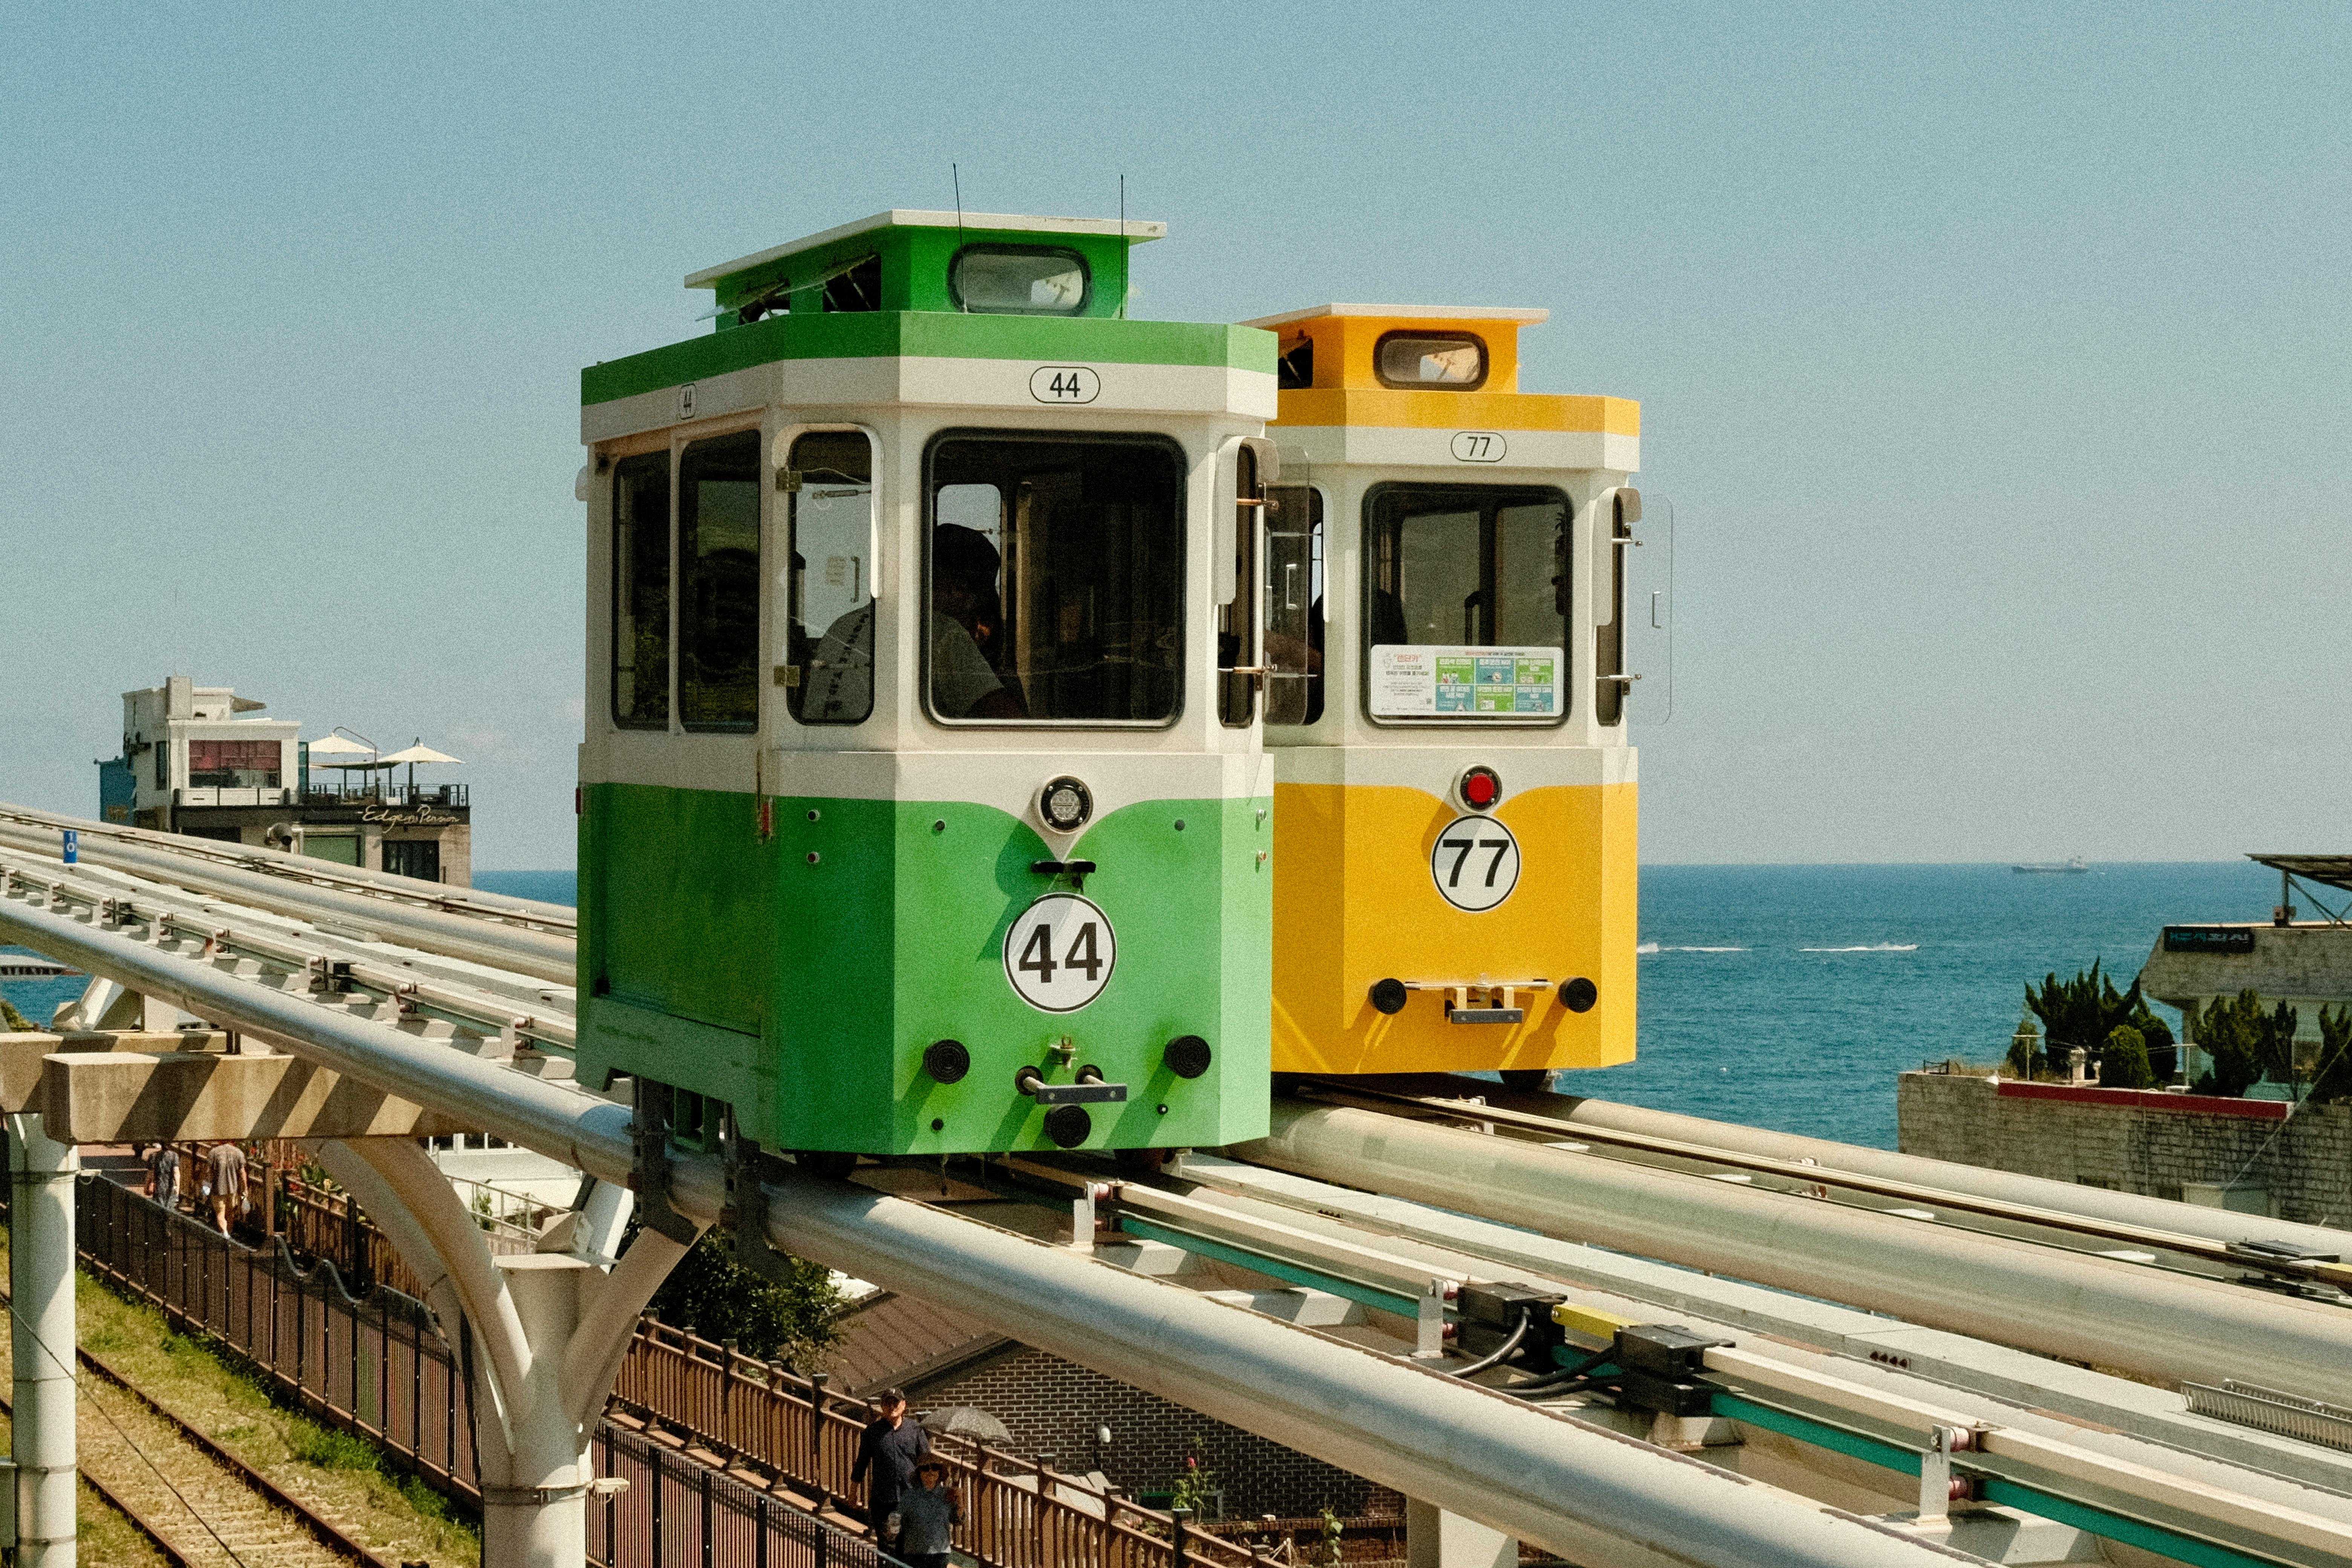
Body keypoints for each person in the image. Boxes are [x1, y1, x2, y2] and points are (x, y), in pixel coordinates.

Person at [930, 525, 1026, 720]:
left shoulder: (857, 624)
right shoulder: (947, 635)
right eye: (968, 588)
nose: (972, 602)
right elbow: (1015, 732)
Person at [850, 1387, 931, 1543]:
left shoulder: (915, 1430)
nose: (892, 1407)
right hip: (883, 1500)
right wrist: (853, 1492)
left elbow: (927, 1463)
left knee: (908, 1544)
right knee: (888, 1545)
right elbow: (862, 1463)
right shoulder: (873, 1432)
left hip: (910, 1498)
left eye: (896, 1403)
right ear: (882, 1406)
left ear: (904, 1405)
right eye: (888, 1403)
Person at [888, 1460, 962, 1568]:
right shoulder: (910, 1496)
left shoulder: (947, 1494)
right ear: (919, 1473)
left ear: (940, 1473)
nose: (930, 1472)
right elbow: (896, 1518)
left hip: (940, 1554)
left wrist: (960, 1500)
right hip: (915, 1553)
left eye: (935, 1468)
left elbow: (958, 1520)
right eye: (926, 1469)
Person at [204, 1139, 246, 1237]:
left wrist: (206, 1186)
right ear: (233, 1141)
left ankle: (225, 1234)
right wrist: (246, 1189)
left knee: (220, 1213)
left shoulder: (214, 1152)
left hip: (218, 1189)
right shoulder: (238, 1152)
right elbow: (243, 1173)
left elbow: (208, 1172)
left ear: (220, 1141)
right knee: (231, 1213)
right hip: (233, 1189)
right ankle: (230, 1232)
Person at [144, 1141, 180, 1213]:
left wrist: (146, 1186)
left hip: (158, 1184)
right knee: (169, 1205)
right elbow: (176, 1172)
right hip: (170, 1185)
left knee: (159, 1206)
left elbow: (150, 1174)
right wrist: (178, 1187)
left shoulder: (153, 1156)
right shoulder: (174, 1156)